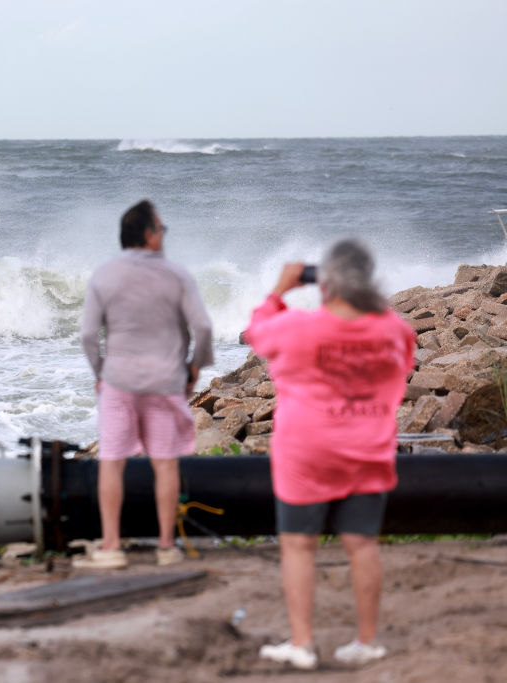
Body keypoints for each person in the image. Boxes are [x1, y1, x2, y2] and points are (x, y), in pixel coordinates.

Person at [243, 239, 415, 670]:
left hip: (306, 452)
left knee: (299, 546)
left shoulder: (297, 327)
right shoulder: (394, 329)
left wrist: (279, 291)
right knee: (362, 545)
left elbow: (258, 334)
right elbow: (403, 353)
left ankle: (302, 644)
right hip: (368, 448)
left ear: (327, 282)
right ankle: (367, 641)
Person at [77, 199, 213, 569]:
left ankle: (111, 547)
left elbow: (89, 335)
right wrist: (194, 370)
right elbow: (201, 327)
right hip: (165, 381)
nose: (164, 235)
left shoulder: (104, 275)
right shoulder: (176, 274)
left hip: (118, 381)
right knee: (166, 464)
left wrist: (100, 372)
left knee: (112, 462)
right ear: (149, 235)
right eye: (161, 229)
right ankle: (167, 547)